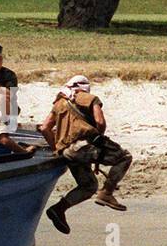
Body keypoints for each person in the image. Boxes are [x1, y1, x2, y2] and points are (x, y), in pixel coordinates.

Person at [39, 75, 133, 233]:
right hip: (83, 146)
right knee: (124, 157)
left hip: (68, 152)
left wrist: (56, 149)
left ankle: (58, 209)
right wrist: (98, 142)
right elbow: (100, 122)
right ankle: (107, 193)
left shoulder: (59, 102)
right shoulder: (90, 98)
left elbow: (44, 128)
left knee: (89, 186)